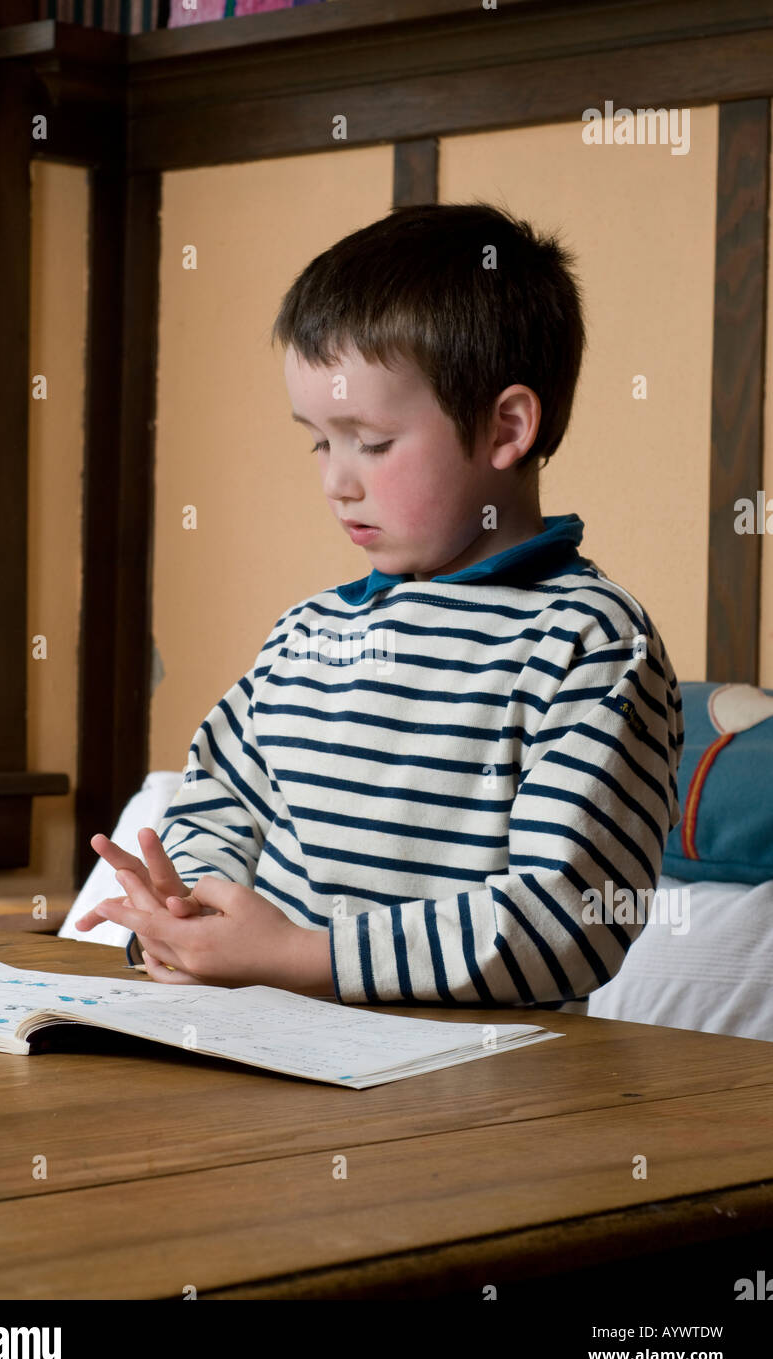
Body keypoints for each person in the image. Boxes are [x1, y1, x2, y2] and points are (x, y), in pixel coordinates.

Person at [75, 201, 683, 1010]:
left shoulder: (592, 644)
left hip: (468, 1099)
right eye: (320, 441)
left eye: (372, 441)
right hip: (256, 1056)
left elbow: (565, 919)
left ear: (505, 428)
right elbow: (220, 801)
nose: (336, 480)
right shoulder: (305, 635)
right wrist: (181, 910)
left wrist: (300, 955)